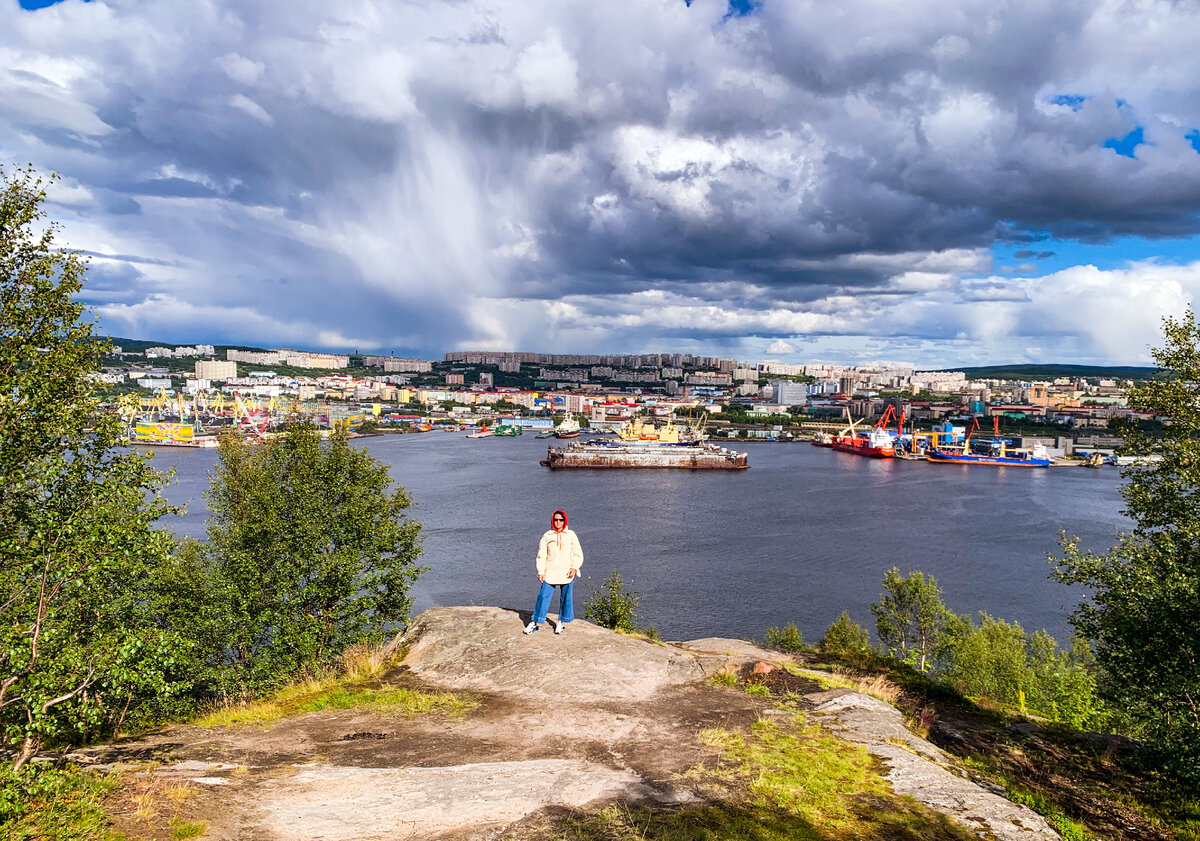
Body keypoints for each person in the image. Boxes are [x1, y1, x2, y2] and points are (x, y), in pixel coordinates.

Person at [523, 509, 583, 635]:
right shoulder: (547, 535)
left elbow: (578, 553)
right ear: (552, 521)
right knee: (543, 597)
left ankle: (561, 622)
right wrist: (541, 571)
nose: (558, 522)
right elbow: (541, 555)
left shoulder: (570, 535)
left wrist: (574, 567)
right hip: (550, 572)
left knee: (565, 599)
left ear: (564, 521)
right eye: (556, 520)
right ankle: (535, 622)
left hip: (567, 573)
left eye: (560, 520)